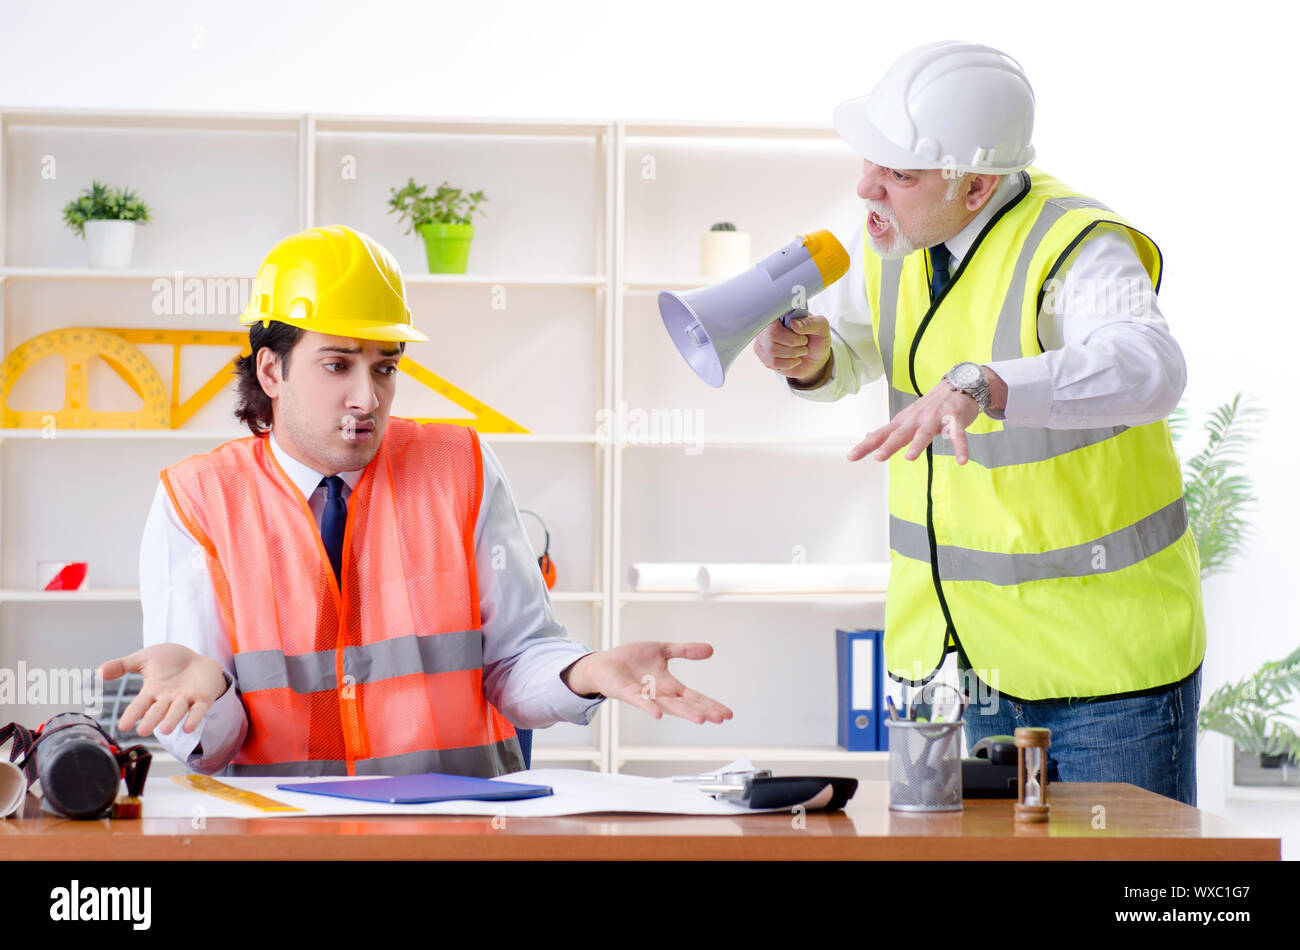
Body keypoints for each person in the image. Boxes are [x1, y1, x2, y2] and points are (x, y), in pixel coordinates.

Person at [100, 224, 732, 778]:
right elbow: (207, 746)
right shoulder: (197, 501)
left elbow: (517, 659)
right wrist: (209, 699)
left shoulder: (461, 467)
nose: (366, 398)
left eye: (384, 366)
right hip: (285, 843)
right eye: (337, 364)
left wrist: (584, 673)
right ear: (271, 371)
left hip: (457, 837)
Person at [753, 41, 1205, 804]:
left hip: (1106, 676)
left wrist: (988, 385)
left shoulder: (1076, 247)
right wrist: (810, 358)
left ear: (977, 185)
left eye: (899, 173)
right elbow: (856, 352)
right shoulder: (894, 240)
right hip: (961, 667)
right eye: (871, 161)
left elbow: (1151, 367)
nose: (868, 187)